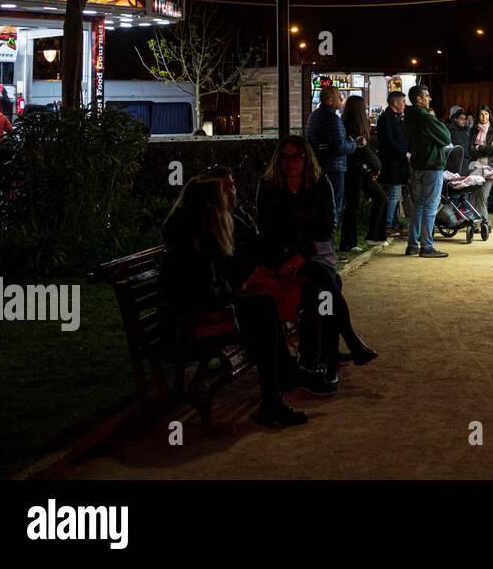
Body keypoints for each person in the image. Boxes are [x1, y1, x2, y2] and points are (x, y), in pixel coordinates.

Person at [159, 175, 315, 426]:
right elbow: (206, 292)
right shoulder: (197, 238)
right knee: (261, 311)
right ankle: (277, 391)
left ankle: (278, 389)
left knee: (262, 307)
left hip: (192, 310)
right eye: (223, 195)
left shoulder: (193, 231)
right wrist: (235, 286)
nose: (228, 199)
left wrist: (232, 286)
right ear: (210, 204)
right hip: (190, 320)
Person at [257, 136, 376, 389]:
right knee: (329, 282)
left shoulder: (320, 184)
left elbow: (327, 227)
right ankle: (341, 346)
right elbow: (267, 230)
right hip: (282, 258)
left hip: (314, 255)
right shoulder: (268, 187)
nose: (291, 163)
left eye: (297, 156)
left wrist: (305, 252)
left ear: (306, 158)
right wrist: (295, 254)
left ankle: (319, 361)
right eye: (286, 157)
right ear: (278, 160)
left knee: (319, 291)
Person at [305, 86, 360, 235]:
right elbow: (339, 146)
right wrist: (354, 143)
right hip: (334, 167)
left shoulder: (314, 115)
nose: (341, 100)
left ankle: (321, 241)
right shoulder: (332, 118)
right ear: (330, 100)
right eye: (339, 97)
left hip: (319, 165)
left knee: (321, 205)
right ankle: (328, 243)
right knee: (334, 205)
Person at [405, 84, 451, 258]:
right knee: (430, 207)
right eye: (427, 96)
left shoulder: (409, 118)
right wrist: (435, 119)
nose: (430, 99)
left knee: (419, 206)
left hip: (417, 165)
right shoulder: (426, 118)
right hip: (432, 166)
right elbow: (446, 138)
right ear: (419, 99)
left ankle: (412, 244)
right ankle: (427, 246)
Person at [340, 94, 388, 252]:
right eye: (364, 106)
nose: (367, 108)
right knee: (352, 206)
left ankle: (372, 236)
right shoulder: (352, 127)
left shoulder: (350, 125)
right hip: (354, 170)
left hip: (359, 169)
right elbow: (364, 151)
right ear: (359, 109)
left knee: (378, 197)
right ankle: (350, 242)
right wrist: (377, 166)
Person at [376, 90, 411, 241]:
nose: (405, 105)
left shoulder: (396, 117)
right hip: (391, 163)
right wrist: (405, 153)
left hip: (398, 163)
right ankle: (388, 226)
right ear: (395, 103)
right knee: (394, 195)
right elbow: (389, 142)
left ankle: (395, 224)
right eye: (403, 102)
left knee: (396, 196)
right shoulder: (386, 118)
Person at [468, 106, 493, 218]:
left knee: (483, 196)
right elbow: (471, 151)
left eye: (486, 114)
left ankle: (484, 222)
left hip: (490, 167)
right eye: (481, 114)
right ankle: (476, 223)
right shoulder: (473, 131)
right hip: (475, 166)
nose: (484, 117)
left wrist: (479, 148)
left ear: (489, 115)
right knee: (473, 195)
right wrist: (487, 149)